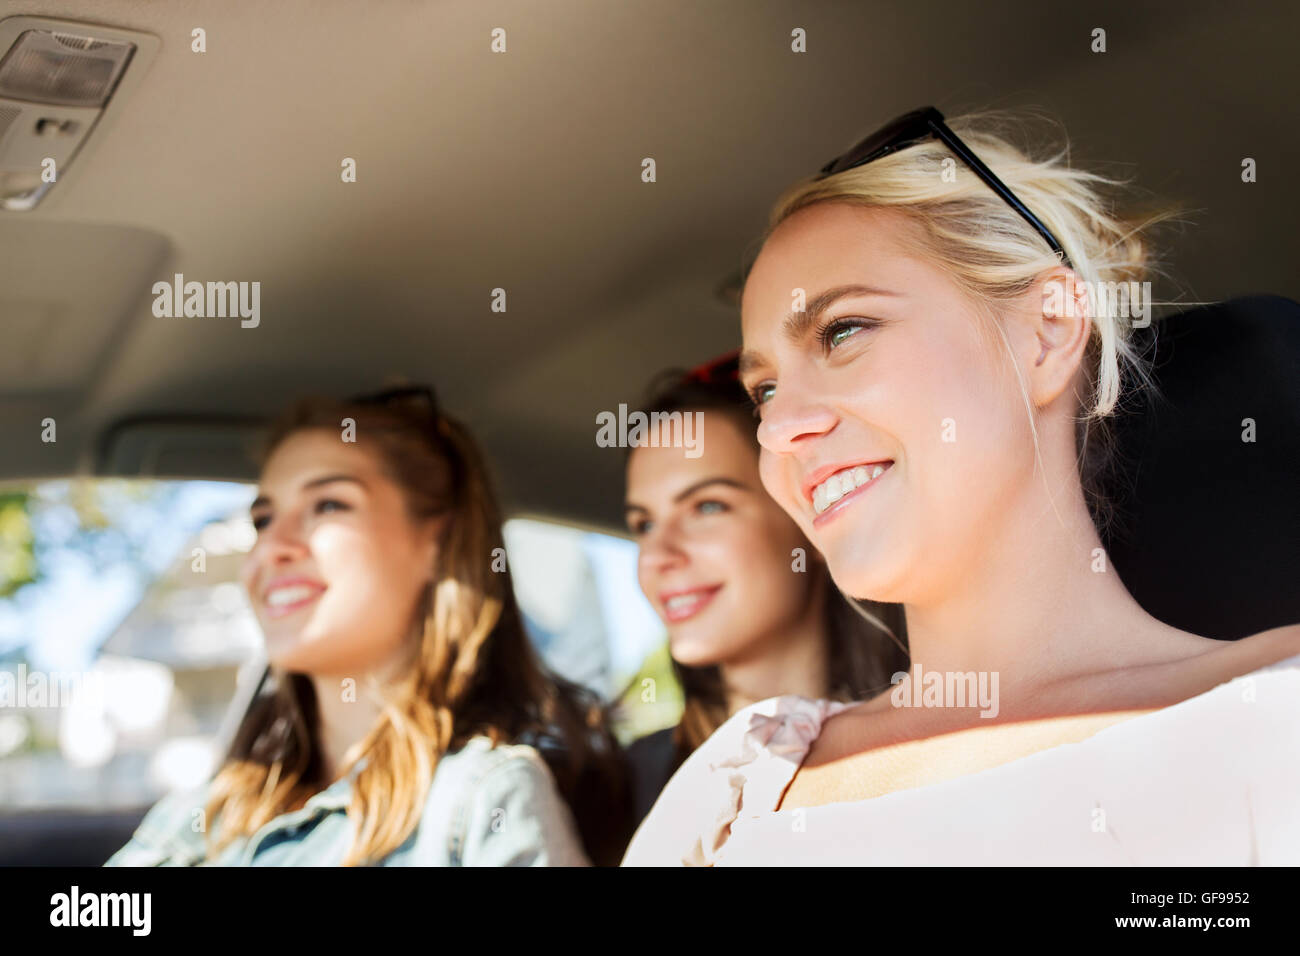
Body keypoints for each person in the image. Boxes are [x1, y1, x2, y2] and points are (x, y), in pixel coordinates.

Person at [623, 108, 1300, 866]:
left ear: (1046, 330)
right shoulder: (735, 787)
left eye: (843, 331)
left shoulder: (1274, 718)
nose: (779, 430)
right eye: (767, 391)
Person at [108, 387, 629, 866]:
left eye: (328, 504)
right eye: (263, 518)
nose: (272, 547)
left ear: (438, 544)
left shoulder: (481, 798)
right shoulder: (206, 815)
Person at [620, 361, 906, 830]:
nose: (658, 555)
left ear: (808, 513)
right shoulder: (617, 790)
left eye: (707, 506)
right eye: (643, 525)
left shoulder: (926, 752)